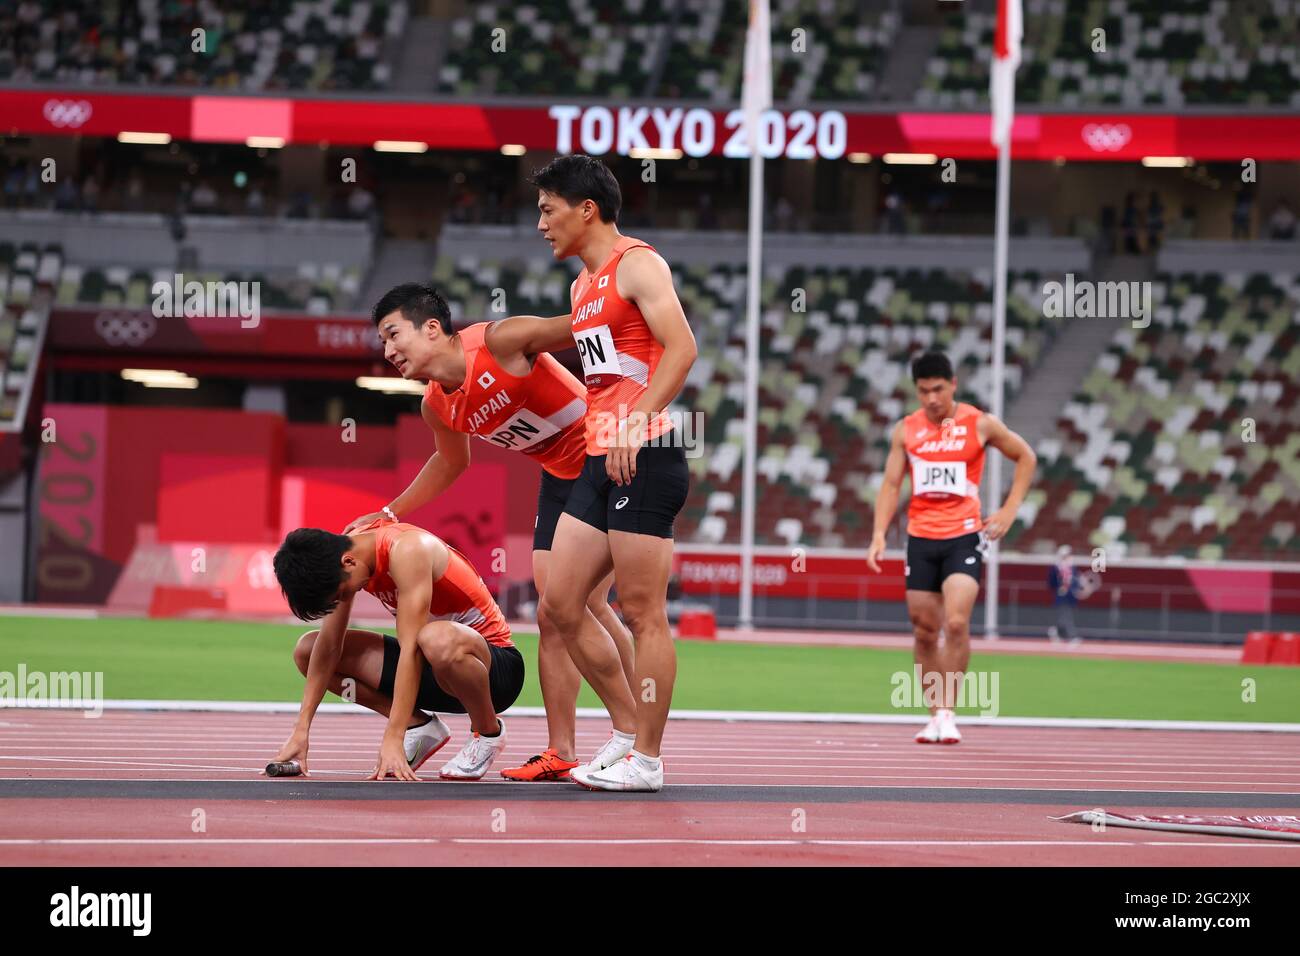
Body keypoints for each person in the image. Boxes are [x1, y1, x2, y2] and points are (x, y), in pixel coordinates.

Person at [345, 283, 636, 782]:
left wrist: (628, 394)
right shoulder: (437, 405)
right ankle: (562, 750)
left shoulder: (502, 342)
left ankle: (638, 735)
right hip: (559, 479)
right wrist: (390, 512)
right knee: (559, 611)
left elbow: (584, 323)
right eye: (382, 342)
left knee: (576, 605)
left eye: (394, 335)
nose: (389, 351)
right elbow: (450, 462)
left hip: (604, 462)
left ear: (432, 328)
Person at [489, 154, 696, 791]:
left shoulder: (639, 263)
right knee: (560, 602)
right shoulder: (581, 291)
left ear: (587, 209)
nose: (541, 224)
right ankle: (626, 731)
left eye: (548, 210)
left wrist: (638, 422)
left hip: (648, 454)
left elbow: (683, 348)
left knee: (642, 612)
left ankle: (649, 761)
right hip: (600, 458)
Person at [270, 517, 525, 781]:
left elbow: (410, 650)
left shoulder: (407, 550)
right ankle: (420, 726)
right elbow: (330, 645)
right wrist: (301, 728)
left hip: (493, 671)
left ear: (348, 562)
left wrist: (393, 735)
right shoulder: (348, 552)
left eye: (342, 593)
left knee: (434, 638)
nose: (346, 598)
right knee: (307, 650)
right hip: (431, 667)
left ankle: (487, 734)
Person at [866, 351, 1037, 744]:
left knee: (956, 622)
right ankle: (933, 716)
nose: (931, 399)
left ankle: (949, 711)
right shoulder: (905, 430)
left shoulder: (979, 423)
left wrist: (1010, 510)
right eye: (923, 391)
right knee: (925, 630)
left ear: (953, 384)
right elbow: (892, 485)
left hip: (963, 535)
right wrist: (878, 534)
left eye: (938, 389)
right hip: (921, 538)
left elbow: (1025, 456)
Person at [1047, 545, 1081, 644]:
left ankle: (1055, 632)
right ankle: (1072, 636)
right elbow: (1051, 582)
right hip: (1061, 596)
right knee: (1065, 616)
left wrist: (1076, 589)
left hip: (1070, 596)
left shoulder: (1072, 567)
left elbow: (1075, 581)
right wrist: (1059, 589)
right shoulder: (1056, 567)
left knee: (1064, 616)